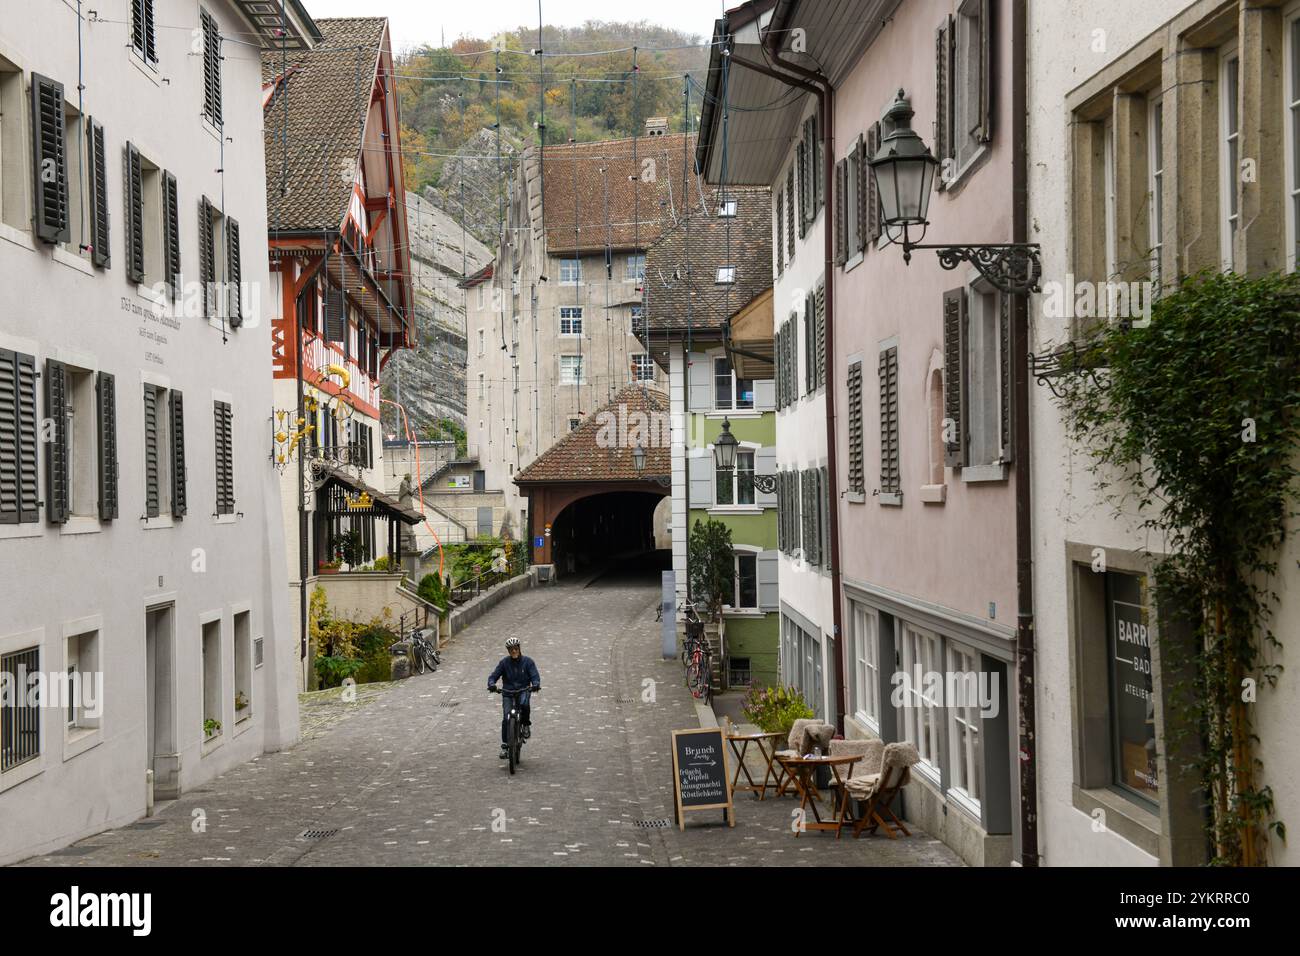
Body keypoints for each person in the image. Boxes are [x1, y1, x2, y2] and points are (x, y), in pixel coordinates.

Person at [487, 637, 540, 759]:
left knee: (525, 705)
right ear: (508, 651)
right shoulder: (504, 663)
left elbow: (535, 676)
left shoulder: (528, 662)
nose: (514, 651)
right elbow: (493, 676)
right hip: (508, 692)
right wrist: (491, 684)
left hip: (523, 690)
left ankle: (526, 724)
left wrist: (536, 684)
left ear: (519, 649)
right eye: (511, 649)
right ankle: (505, 746)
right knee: (506, 717)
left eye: (516, 648)